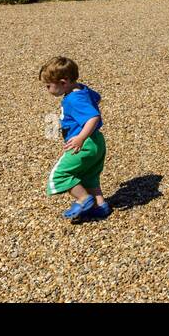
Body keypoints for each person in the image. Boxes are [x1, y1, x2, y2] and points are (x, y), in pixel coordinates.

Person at [41, 56, 111, 222]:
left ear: (63, 82)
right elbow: (97, 97)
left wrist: (80, 137)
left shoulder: (73, 99)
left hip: (84, 144)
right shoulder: (81, 89)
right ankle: (100, 206)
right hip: (97, 142)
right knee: (89, 175)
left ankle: (83, 199)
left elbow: (94, 117)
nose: (47, 89)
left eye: (49, 86)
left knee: (60, 175)